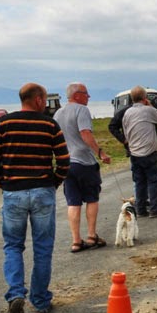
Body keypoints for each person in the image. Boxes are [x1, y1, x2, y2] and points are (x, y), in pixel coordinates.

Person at [0, 83, 70, 313]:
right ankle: (41, 300)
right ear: (38, 100)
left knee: (13, 245)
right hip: (42, 190)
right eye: (43, 99)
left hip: (13, 191)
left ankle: (15, 294)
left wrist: (1, 184)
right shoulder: (49, 124)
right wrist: (53, 182)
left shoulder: (4, 123)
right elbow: (63, 160)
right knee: (43, 248)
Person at [54, 83, 112, 252]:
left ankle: (76, 241)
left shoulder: (58, 113)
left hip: (66, 162)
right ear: (77, 95)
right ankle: (92, 235)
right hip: (84, 161)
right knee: (92, 198)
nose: (88, 97)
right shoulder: (81, 110)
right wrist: (100, 152)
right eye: (86, 94)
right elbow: (85, 133)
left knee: (73, 202)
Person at [122, 85, 157, 218]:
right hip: (149, 152)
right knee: (154, 180)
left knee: (139, 182)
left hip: (134, 153)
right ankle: (155, 209)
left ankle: (141, 209)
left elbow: (125, 132)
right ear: (145, 98)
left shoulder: (127, 113)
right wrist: (151, 105)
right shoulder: (148, 110)